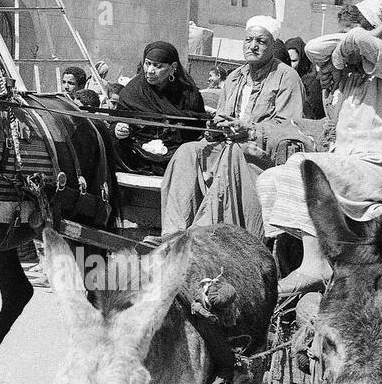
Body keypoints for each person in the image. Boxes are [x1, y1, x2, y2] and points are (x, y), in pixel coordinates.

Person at [257, 1, 382, 293]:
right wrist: (358, 40)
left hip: (376, 169)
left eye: (352, 34)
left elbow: (357, 41)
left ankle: (314, 265)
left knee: (305, 167)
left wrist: (368, 38)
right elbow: (314, 48)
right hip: (345, 167)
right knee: (270, 179)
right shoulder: (353, 79)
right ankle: (286, 262)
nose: (343, 44)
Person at [160, 16, 304, 235]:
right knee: (187, 152)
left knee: (233, 153)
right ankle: (173, 234)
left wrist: (249, 131)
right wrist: (215, 127)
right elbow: (223, 117)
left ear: (273, 46)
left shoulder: (287, 77)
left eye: (261, 41)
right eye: (248, 40)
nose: (253, 46)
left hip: (261, 153)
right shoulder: (235, 77)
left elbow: (288, 127)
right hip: (227, 146)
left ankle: (204, 234)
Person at [112, 40, 207, 173]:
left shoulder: (189, 94)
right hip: (135, 157)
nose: (150, 71)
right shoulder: (132, 91)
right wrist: (118, 129)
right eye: (147, 64)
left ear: (173, 67)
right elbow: (116, 119)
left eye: (157, 66)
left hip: (176, 159)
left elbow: (198, 129)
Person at [284, 36, 326, 120]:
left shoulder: (312, 81)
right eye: (288, 60)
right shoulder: (285, 76)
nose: (291, 65)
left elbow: (313, 113)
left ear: (302, 59)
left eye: (294, 61)